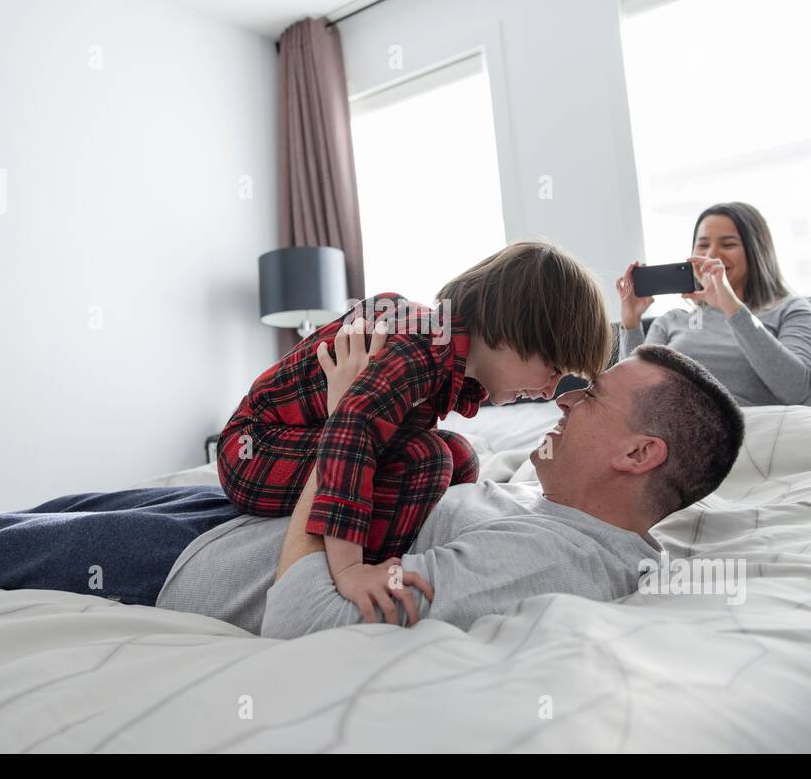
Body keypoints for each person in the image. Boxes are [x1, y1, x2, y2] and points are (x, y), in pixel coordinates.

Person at [0, 339, 744, 638]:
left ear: (639, 457)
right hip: (253, 517)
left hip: (203, 570)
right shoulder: (569, 526)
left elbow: (307, 611)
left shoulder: (553, 561)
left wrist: (338, 444)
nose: (565, 404)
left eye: (595, 401)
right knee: (51, 512)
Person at [218, 240, 612, 617]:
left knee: (459, 456)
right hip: (254, 449)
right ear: (513, 333)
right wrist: (349, 570)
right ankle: (364, 568)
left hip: (296, 441)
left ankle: (405, 547)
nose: (549, 391)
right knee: (428, 457)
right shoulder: (420, 344)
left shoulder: (442, 356)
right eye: (556, 371)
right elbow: (352, 434)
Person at [617, 201, 811, 406]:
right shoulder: (672, 320)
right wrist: (631, 322)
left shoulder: (791, 310)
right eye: (703, 245)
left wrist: (732, 308)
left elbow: (795, 389)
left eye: (728, 244)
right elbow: (635, 395)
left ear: (757, 252)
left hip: (751, 429)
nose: (712, 254)